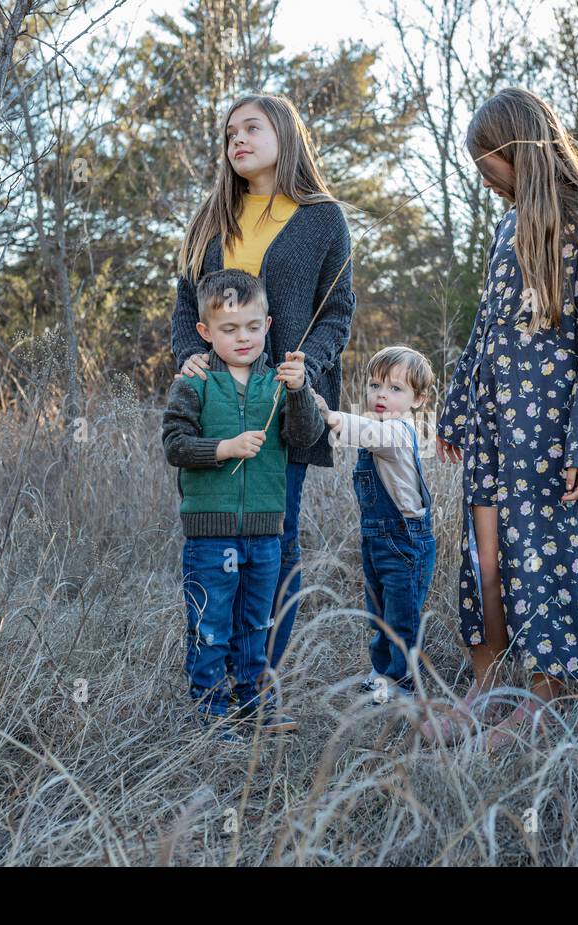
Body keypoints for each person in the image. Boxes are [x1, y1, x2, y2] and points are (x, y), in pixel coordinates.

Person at [429, 87, 578, 750]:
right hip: (492, 423)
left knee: (548, 564)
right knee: (485, 563)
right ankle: (486, 684)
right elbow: (486, 329)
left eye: (492, 166)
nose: (486, 180)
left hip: (554, 433)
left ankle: (546, 698)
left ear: (522, 152)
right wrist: (454, 408)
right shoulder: (502, 227)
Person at [171, 93, 355, 681]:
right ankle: (211, 685)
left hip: (285, 403)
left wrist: (311, 364)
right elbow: (183, 305)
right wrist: (189, 357)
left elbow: (338, 310)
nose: (237, 141)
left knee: (277, 544)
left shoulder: (323, 217)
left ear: (285, 134)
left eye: (251, 128)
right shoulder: (210, 218)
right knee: (214, 540)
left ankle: (259, 683)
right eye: (229, 134)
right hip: (216, 404)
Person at [162, 269, 324, 735]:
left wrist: (300, 390)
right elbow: (174, 443)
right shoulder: (194, 383)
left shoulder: (278, 382)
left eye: (253, 327)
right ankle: (210, 711)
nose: (243, 338)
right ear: (204, 332)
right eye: (229, 329)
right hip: (210, 537)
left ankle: (254, 700)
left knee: (258, 622)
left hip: (265, 533)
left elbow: (304, 437)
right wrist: (224, 448)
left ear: (268, 325)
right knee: (212, 623)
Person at [313, 347, 437, 703]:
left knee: (402, 616)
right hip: (378, 540)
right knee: (379, 612)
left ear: (419, 399)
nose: (382, 394)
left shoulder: (398, 432)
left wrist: (332, 416)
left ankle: (405, 684)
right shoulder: (378, 427)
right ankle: (382, 672)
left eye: (396, 389)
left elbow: (364, 431)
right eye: (375, 385)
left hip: (404, 541)